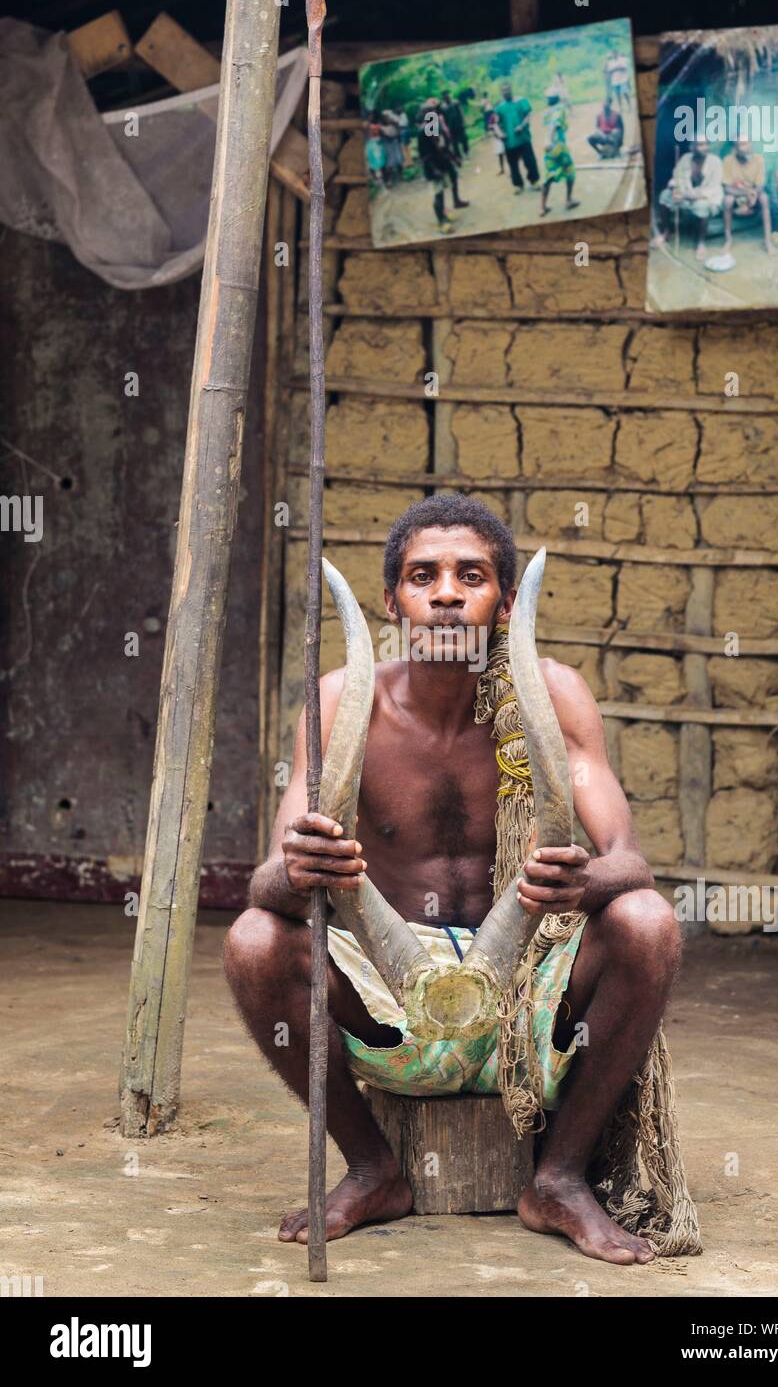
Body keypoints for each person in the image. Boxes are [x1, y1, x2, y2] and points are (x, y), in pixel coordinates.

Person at [226, 494, 682, 1263]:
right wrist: (301, 868)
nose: (444, 592)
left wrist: (581, 884)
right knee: (251, 941)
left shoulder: (554, 693)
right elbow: (271, 882)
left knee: (649, 921)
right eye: (422, 576)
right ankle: (374, 1170)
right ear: (391, 600)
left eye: (470, 576)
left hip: (528, 996)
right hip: (388, 998)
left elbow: (630, 861)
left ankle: (559, 1179)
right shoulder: (343, 699)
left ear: (504, 604)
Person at [652, 137, 724, 260]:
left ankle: (701, 243)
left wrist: (692, 195)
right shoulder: (685, 159)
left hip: (706, 196)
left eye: (706, 144)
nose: (704, 147)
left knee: (702, 206)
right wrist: (674, 189)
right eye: (700, 145)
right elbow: (676, 177)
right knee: (664, 195)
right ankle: (666, 233)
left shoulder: (715, 161)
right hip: (685, 194)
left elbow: (715, 186)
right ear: (692, 147)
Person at [416, 98, 469, 234]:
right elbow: (425, 155)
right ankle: (441, 221)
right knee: (438, 194)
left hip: (442, 163)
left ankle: (446, 212)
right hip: (433, 168)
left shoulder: (433, 127)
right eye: (429, 112)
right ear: (424, 115)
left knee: (445, 187)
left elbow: (442, 146)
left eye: (433, 111)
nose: (432, 113)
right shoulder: (423, 131)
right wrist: (434, 169)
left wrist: (453, 158)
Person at [721, 136, 773, 254]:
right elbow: (727, 187)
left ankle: (767, 240)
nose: (745, 148)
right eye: (741, 145)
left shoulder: (759, 159)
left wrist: (754, 194)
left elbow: (760, 185)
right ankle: (728, 239)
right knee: (727, 200)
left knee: (764, 198)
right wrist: (746, 193)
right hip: (736, 195)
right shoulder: (728, 160)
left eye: (747, 144)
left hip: (753, 195)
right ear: (735, 148)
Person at [495, 80, 540, 194]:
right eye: (503, 91)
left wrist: (522, 125)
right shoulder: (499, 107)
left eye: (507, 90)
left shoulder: (521, 101)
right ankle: (518, 185)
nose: (506, 92)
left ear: (511, 90)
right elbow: (495, 123)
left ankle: (534, 181)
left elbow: (528, 115)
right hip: (509, 141)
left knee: (530, 161)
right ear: (501, 93)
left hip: (523, 138)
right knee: (513, 165)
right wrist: (500, 134)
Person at [540, 85, 579, 217]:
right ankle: (568, 200)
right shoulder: (560, 109)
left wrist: (547, 141)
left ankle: (543, 207)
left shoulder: (546, 112)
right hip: (558, 145)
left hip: (549, 148)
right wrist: (550, 140)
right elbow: (554, 125)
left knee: (549, 175)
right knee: (569, 171)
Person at [441, 91, 469, 160]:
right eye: (445, 96)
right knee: (454, 143)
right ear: (443, 98)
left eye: (447, 95)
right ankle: (459, 156)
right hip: (451, 127)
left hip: (459, 125)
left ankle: (466, 152)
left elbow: (461, 113)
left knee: (464, 139)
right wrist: (446, 128)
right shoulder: (443, 107)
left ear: (449, 95)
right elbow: (444, 119)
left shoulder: (455, 102)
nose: (447, 97)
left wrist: (463, 123)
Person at [364, 123, 386, 188]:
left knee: (377, 169)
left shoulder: (371, 141)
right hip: (375, 151)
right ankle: (379, 183)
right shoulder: (375, 139)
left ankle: (380, 184)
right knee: (377, 169)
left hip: (374, 151)